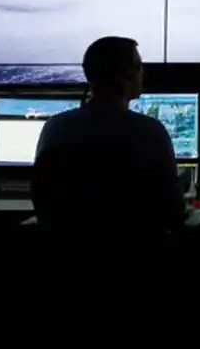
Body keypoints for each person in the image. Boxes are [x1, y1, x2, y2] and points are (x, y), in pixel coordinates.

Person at [35, 36, 183, 232]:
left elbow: (42, 202)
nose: (143, 73)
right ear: (127, 75)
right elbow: (172, 209)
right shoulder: (151, 132)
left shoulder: (55, 128)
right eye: (139, 67)